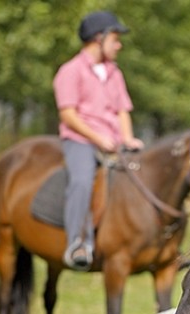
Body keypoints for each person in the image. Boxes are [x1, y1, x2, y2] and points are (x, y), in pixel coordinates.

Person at [53, 11, 144, 270]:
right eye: (115, 39)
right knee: (82, 181)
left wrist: (128, 138)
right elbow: (68, 115)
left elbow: (122, 110)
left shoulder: (114, 73)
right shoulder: (70, 71)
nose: (119, 45)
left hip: (113, 141)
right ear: (98, 38)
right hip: (81, 140)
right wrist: (98, 138)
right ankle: (77, 242)